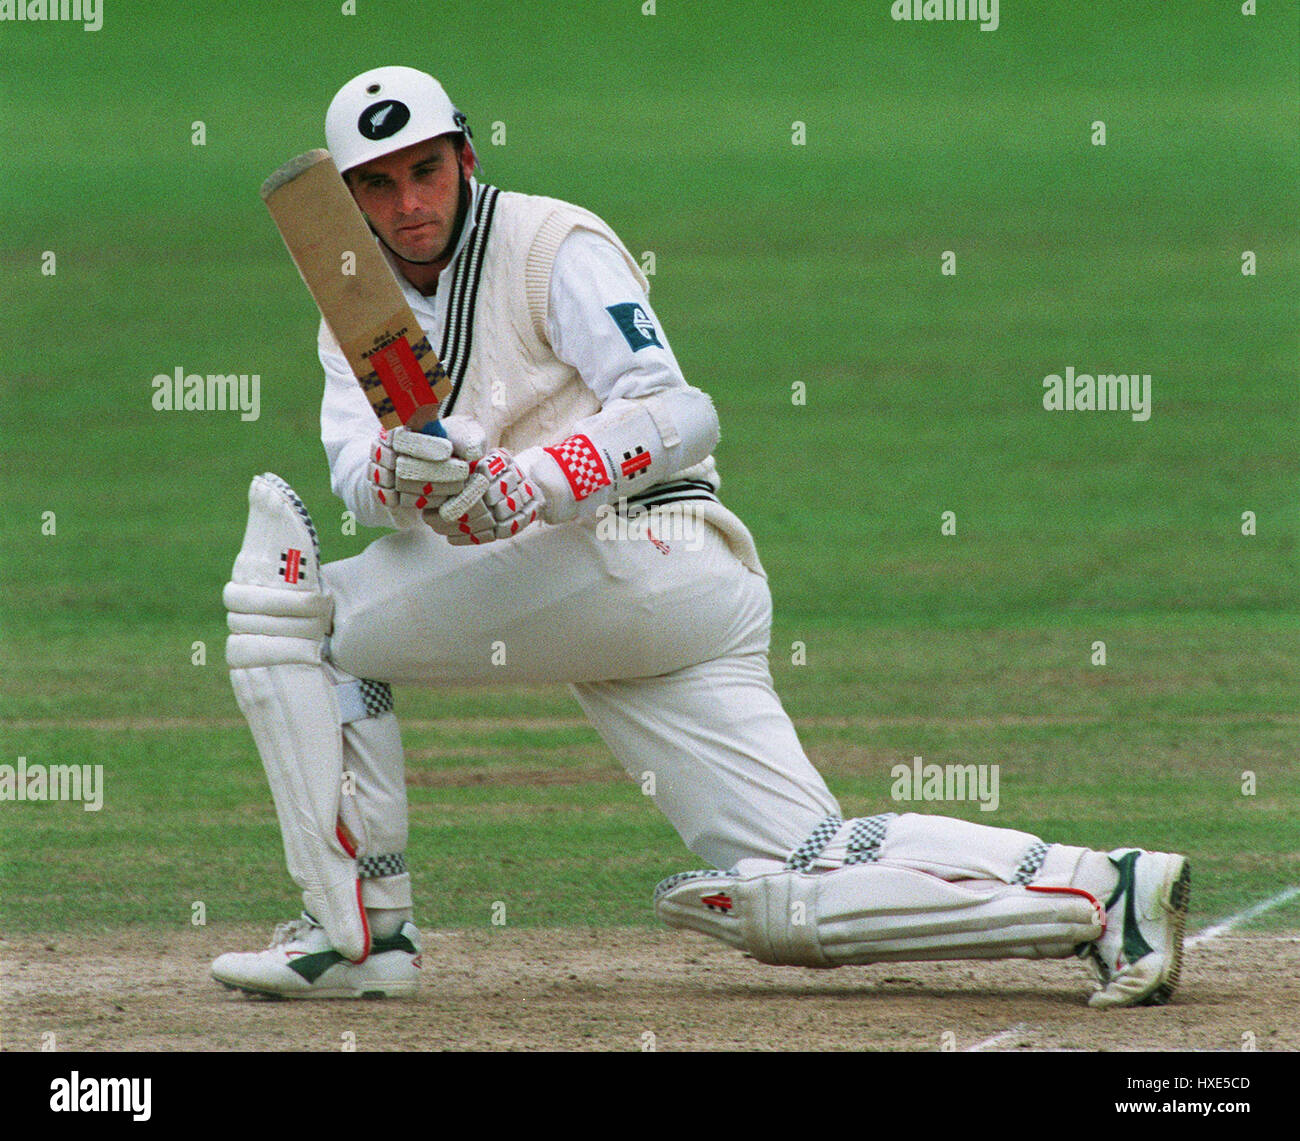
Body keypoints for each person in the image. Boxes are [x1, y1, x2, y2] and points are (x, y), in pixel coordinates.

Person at [211, 66, 1189, 1009]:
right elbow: (358, 479)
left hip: (647, 545)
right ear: (350, 199)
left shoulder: (552, 242)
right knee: (799, 866)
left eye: (426, 170)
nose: (408, 201)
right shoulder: (353, 311)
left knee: (297, 617)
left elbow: (679, 415)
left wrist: (532, 480)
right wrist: (404, 474)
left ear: (466, 158)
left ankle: (360, 934)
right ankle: (1104, 889)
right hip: (637, 603)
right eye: (377, 186)